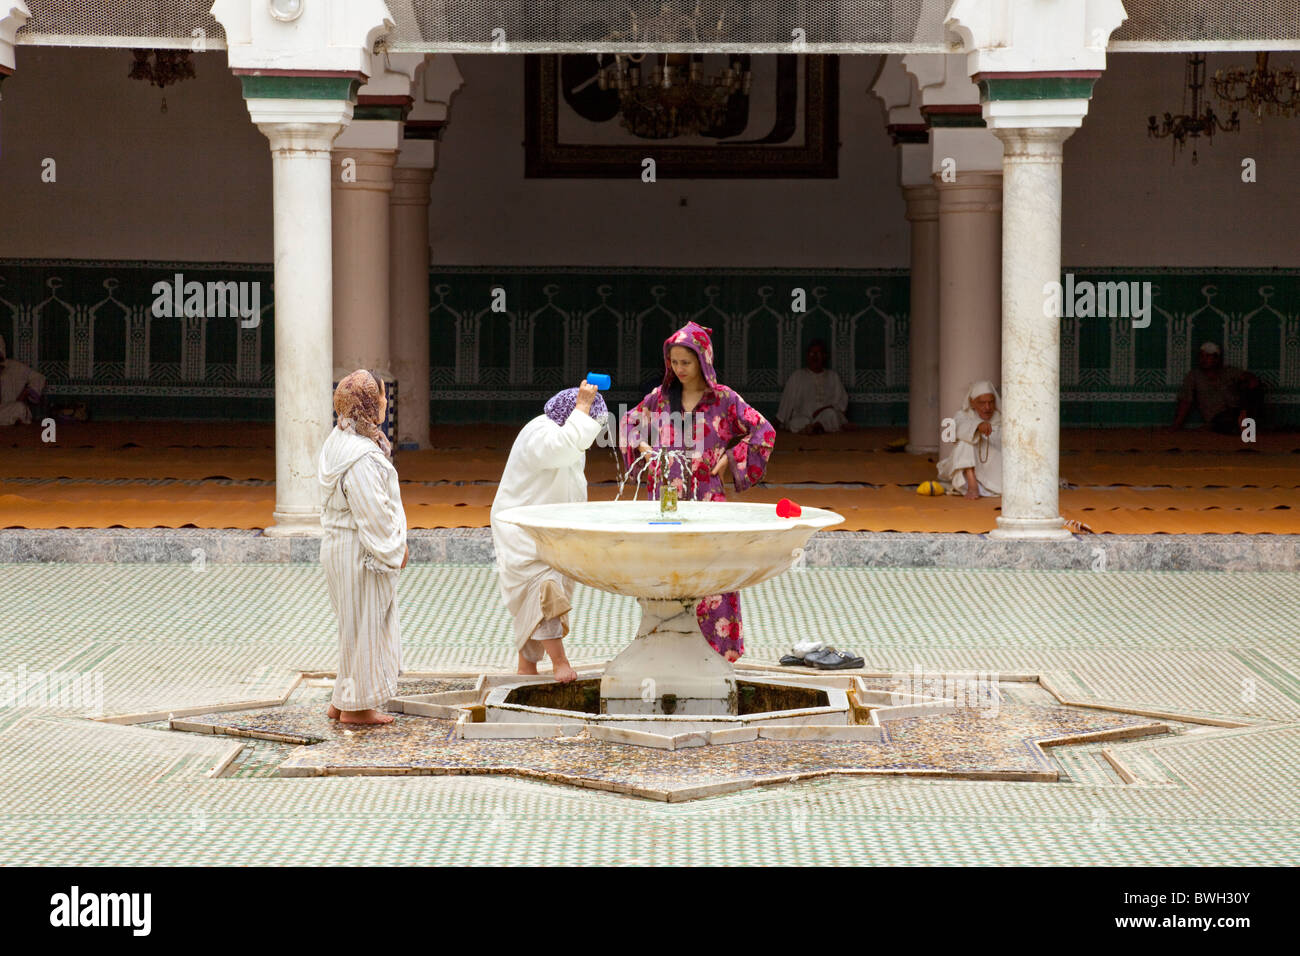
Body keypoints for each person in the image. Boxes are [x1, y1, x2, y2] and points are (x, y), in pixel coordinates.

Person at [622, 322, 776, 662]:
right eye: (674, 363)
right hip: (665, 498)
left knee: (712, 572)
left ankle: (717, 655)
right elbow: (629, 422)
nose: (679, 370)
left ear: (703, 361)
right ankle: (664, 651)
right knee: (666, 573)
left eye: (685, 363)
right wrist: (643, 445)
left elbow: (763, 431)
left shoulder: (724, 399)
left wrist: (732, 458)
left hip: (707, 496)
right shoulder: (660, 397)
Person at [491, 381, 607, 684]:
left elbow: (571, 481)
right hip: (525, 535)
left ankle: (526, 668)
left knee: (538, 601)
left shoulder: (569, 438)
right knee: (546, 594)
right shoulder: (543, 435)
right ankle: (560, 663)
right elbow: (561, 449)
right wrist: (583, 406)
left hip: (551, 533)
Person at [318, 370, 408, 725]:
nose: (385, 403)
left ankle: (341, 702)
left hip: (341, 550)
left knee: (353, 627)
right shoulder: (361, 457)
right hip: (360, 554)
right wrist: (394, 549)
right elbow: (373, 513)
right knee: (365, 626)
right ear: (371, 404)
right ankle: (357, 710)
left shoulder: (339, 439)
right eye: (382, 397)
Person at [1172, 342, 1265, 434]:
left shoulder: (1229, 371)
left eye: (1208, 357)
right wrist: (1176, 426)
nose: (1204, 360)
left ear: (1216, 359)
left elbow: (1252, 380)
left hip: (1237, 411)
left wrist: (1245, 407)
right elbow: (1185, 401)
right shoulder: (1194, 376)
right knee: (1225, 421)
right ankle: (1241, 426)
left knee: (1254, 387)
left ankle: (1245, 422)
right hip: (1217, 417)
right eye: (1202, 356)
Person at [936, 381, 1002, 500]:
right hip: (966, 469)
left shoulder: (1001, 418)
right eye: (982, 403)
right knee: (965, 442)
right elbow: (958, 427)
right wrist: (977, 426)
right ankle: (971, 483)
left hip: (993, 467)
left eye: (990, 402)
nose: (987, 407)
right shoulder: (963, 415)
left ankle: (980, 485)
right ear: (972, 403)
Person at [777, 339, 852, 434]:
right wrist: (779, 420)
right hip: (803, 417)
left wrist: (824, 409)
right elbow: (787, 401)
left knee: (831, 415)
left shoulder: (833, 376)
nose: (815, 356)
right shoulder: (798, 375)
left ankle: (816, 427)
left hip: (825, 416)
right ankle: (815, 428)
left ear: (824, 356)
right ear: (807, 356)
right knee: (796, 422)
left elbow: (842, 403)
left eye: (818, 353)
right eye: (812, 353)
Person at [0, 334, 46, 426]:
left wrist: (25, 392)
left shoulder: (14, 367)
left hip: (9, 408)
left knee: (19, 408)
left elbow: (39, 378)